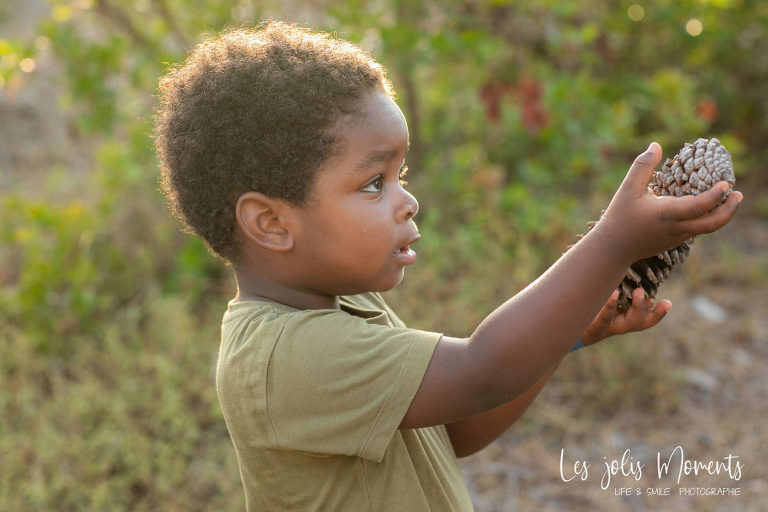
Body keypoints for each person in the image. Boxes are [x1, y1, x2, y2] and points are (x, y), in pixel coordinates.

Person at [153, 20, 743, 511]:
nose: (407, 200)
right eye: (372, 183)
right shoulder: (282, 360)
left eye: (400, 177)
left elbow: (457, 427)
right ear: (271, 223)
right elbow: (483, 370)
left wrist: (568, 337)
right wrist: (613, 242)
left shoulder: (342, 304)